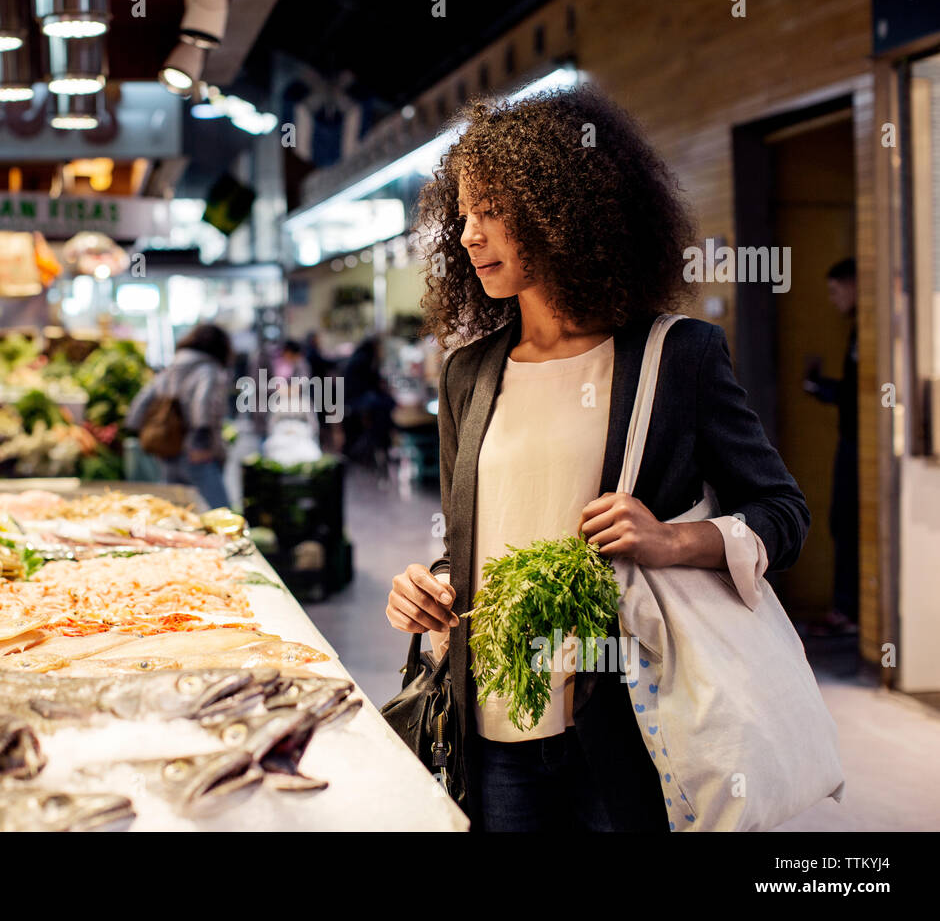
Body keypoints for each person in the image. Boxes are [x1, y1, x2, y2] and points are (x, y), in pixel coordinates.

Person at [384, 85, 811, 832]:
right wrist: (429, 591)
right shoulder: (468, 373)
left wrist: (674, 538)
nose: (468, 237)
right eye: (461, 215)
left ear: (560, 209)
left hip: (625, 716)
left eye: (491, 211)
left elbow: (783, 513)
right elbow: (469, 541)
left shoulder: (675, 357)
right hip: (492, 720)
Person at [802, 258, 858, 636]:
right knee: (842, 521)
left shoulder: (867, 329)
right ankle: (847, 609)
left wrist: (822, 389)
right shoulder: (858, 329)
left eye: (836, 290)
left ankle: (848, 612)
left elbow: (857, 396)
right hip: (850, 439)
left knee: (848, 521)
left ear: (855, 284)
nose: (833, 300)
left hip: (859, 444)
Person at [126, 323, 232, 509]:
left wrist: (133, 429)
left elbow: (142, 400)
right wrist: (202, 442)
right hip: (196, 450)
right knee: (221, 509)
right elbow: (203, 404)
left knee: (174, 509)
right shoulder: (209, 370)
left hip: (168, 447)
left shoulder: (172, 368)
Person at [342, 335, 396, 470]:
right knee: (386, 405)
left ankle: (383, 441)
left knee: (385, 403)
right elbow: (371, 382)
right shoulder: (363, 359)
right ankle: (382, 441)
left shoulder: (360, 357)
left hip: (353, 398)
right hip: (356, 400)